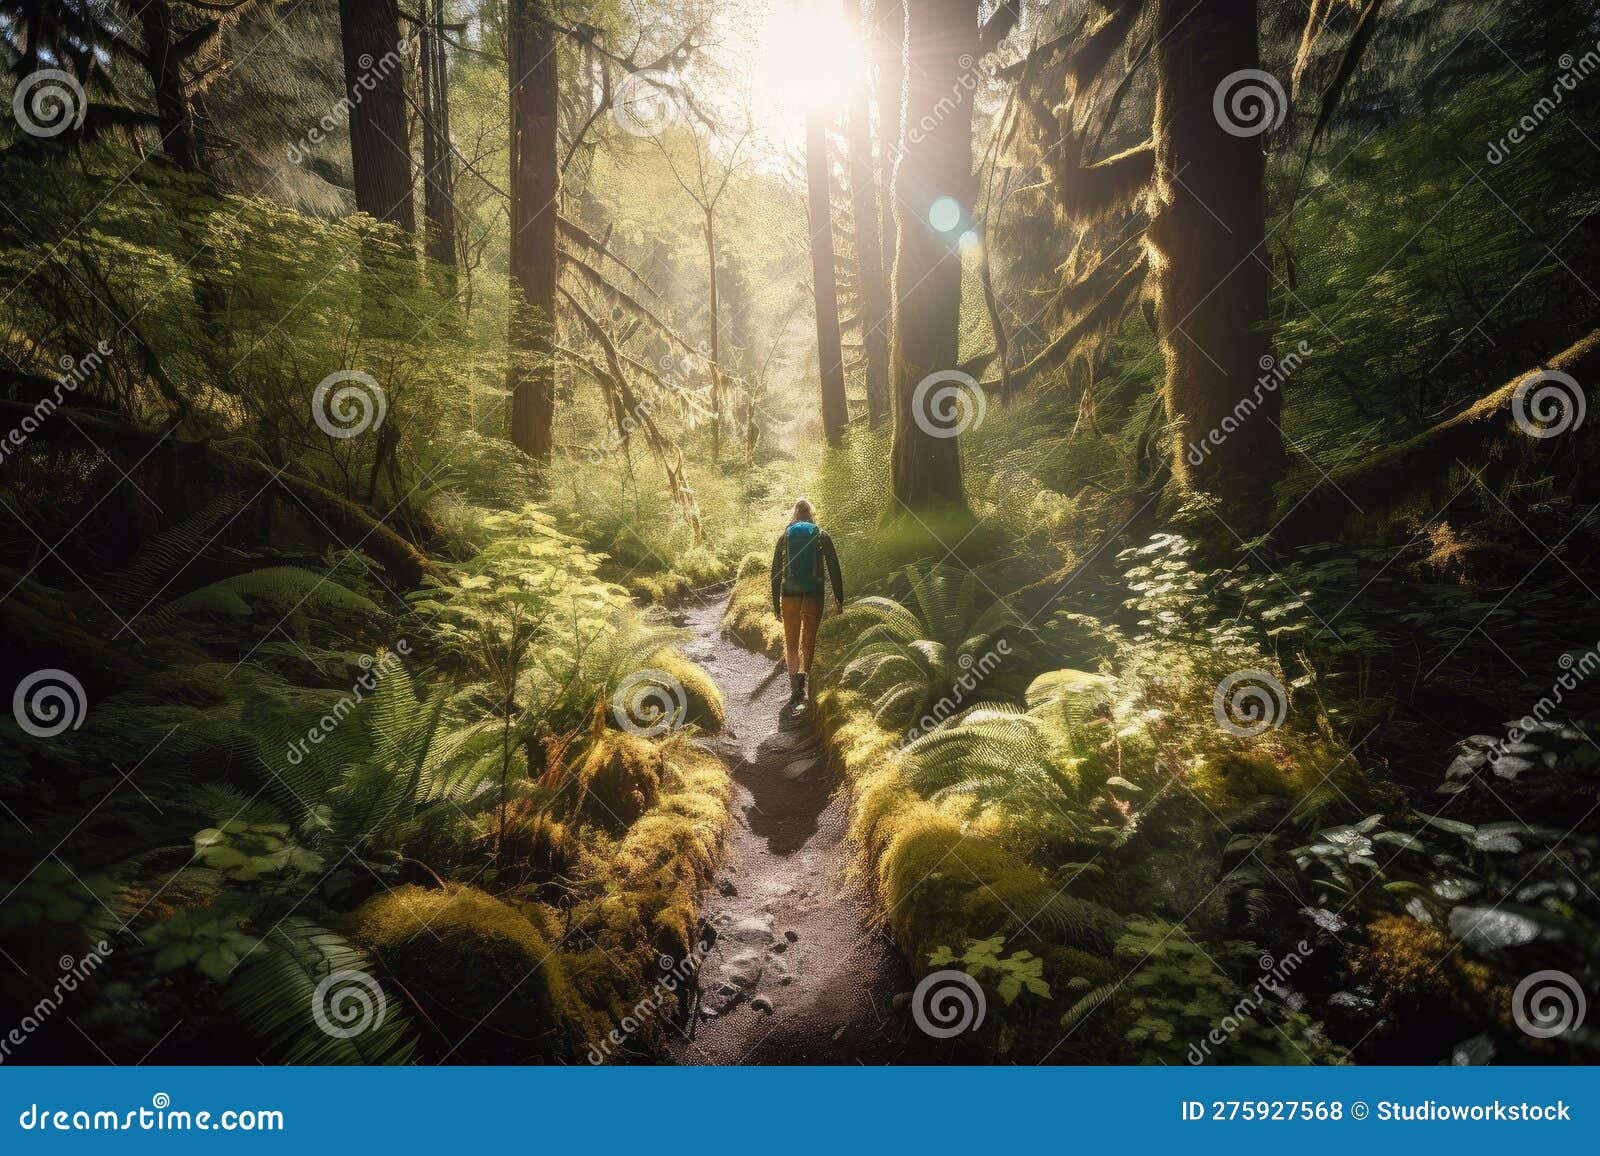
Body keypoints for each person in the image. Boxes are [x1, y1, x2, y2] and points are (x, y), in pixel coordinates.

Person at [769, 498, 844, 709]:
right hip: (814, 594)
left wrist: (776, 603)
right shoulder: (821, 535)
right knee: (808, 641)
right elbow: (834, 567)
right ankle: (809, 689)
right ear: (812, 514)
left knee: (791, 644)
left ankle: (796, 690)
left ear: (794, 515)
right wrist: (839, 598)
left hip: (789, 595)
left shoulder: (785, 537)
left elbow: (775, 572)